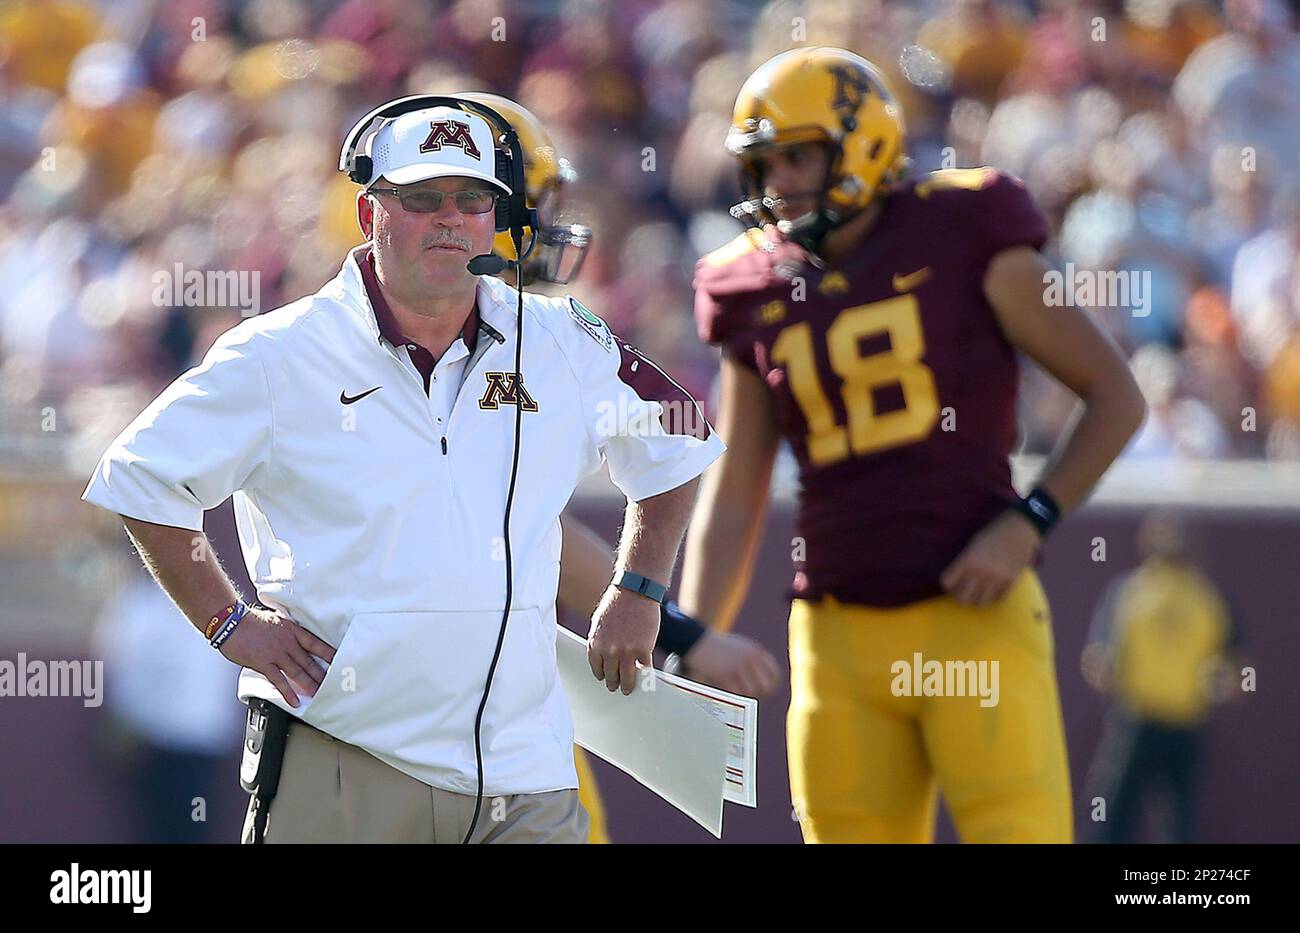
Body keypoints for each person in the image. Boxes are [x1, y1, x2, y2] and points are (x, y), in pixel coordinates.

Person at [82, 97, 724, 844]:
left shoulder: (558, 337)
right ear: (369, 213)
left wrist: (639, 588)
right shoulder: (280, 352)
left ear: (497, 217)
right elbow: (138, 477)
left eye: (473, 199)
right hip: (349, 758)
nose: (450, 218)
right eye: (422, 198)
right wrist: (228, 622)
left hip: (526, 771)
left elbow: (679, 437)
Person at [679, 47, 1146, 843]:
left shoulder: (963, 229)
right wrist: (691, 636)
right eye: (766, 162)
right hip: (835, 632)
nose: (781, 178)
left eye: (800, 154)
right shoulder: (748, 287)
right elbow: (739, 485)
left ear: (861, 144)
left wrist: (1028, 519)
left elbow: (1116, 396)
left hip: (971, 612)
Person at [456, 91, 780, 843]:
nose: (539, 225)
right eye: (525, 202)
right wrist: (677, 628)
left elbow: (538, 519)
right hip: (436, 711)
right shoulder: (424, 345)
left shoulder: (529, 335)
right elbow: (526, 528)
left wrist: (667, 621)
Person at [1081, 511, 1241, 843]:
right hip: (1151, 721)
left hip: (1162, 722)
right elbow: (1239, 670)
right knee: (1141, 819)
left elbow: (1236, 666)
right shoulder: (1196, 596)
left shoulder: (1188, 596)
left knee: (1145, 821)